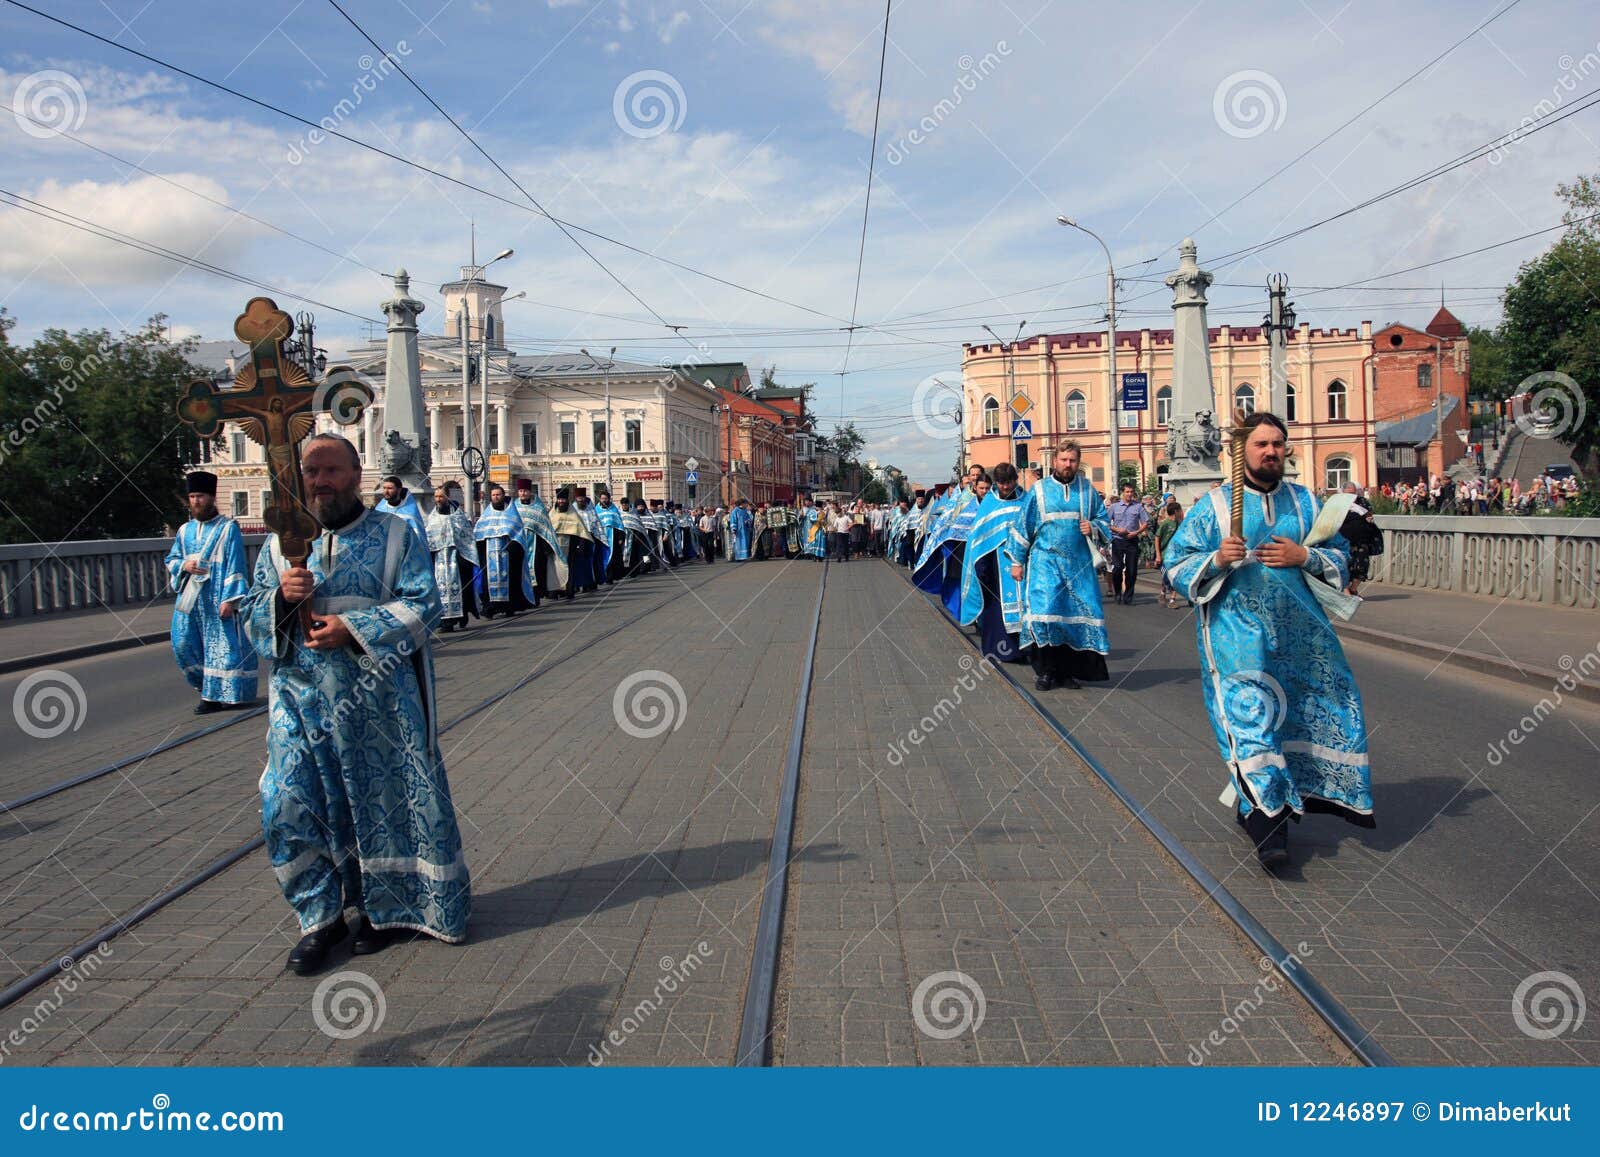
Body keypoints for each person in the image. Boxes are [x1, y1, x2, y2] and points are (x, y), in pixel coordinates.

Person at [240, 433, 469, 973]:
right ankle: (318, 920)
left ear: (357, 472)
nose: (320, 481)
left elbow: (425, 605)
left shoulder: (394, 535)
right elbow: (252, 615)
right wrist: (279, 599)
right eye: (311, 471)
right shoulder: (278, 545)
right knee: (287, 803)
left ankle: (383, 910)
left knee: (380, 805)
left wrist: (353, 627)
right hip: (299, 704)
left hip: (379, 705)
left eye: (332, 470)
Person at [1162, 411, 1373, 871]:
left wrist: (1306, 555)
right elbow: (1175, 565)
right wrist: (1217, 558)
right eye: (1261, 444)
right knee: (1251, 724)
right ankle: (1269, 825)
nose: (1272, 451)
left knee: (1303, 719)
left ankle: (1256, 803)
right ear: (1243, 451)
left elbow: (1340, 555)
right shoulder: (1215, 507)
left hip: (1301, 637)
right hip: (1236, 638)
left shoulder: (1305, 503)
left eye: (1278, 443)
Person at [1004, 442, 1111, 691]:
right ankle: (1046, 672)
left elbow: (1103, 520)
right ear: (1055, 461)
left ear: (1077, 461)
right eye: (1063, 460)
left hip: (1078, 568)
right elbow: (1023, 527)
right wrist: (1017, 562)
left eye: (1072, 460)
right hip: (1045, 565)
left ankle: (1067, 673)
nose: (1067, 464)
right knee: (1046, 616)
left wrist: (1093, 527)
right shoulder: (1039, 491)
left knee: (1073, 618)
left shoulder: (1087, 490)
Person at [165, 470, 258, 713]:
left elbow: (236, 563)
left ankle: (212, 698)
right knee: (183, 642)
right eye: (193, 496)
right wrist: (184, 565)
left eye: (201, 496)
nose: (196, 501)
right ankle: (204, 688)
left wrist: (230, 599)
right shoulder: (184, 531)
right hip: (190, 599)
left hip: (217, 597)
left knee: (221, 648)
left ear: (212, 498)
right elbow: (172, 558)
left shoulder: (228, 529)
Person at [958, 462, 1027, 663]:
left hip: (1023, 562)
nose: (1005, 487)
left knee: (1025, 605)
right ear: (996, 483)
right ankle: (1000, 649)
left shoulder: (1027, 499)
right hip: (995, 562)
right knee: (996, 607)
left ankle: (1026, 649)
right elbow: (978, 538)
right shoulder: (989, 502)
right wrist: (981, 567)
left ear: (1015, 480)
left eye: (1009, 482)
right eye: (1002, 483)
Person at [473, 484, 537, 617]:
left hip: (508, 555)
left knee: (510, 580)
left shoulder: (511, 514)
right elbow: (478, 534)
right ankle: (490, 607)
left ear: (503, 496)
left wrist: (513, 545)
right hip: (489, 557)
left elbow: (519, 535)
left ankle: (509, 606)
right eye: (493, 495)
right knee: (488, 582)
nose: (496, 497)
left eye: (498, 494)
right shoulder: (486, 515)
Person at [424, 486, 481, 631]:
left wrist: (463, 555)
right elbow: (429, 537)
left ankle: (461, 616)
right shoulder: (432, 518)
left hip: (457, 558)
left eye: (441, 497)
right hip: (439, 561)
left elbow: (467, 536)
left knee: (461, 588)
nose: (438, 499)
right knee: (441, 590)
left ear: (447, 497)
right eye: (436, 497)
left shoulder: (458, 516)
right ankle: (445, 621)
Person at [516, 482, 569, 597]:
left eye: (525, 491)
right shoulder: (514, 507)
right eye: (520, 491)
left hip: (536, 543)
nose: (523, 493)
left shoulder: (538, 507)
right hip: (519, 543)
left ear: (530, 492)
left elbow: (546, 527)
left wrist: (546, 546)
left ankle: (536, 595)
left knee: (538, 569)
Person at [1338, 484, 1383, 597]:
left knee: (1362, 565)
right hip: (1343, 541)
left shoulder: (1362, 501)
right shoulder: (1338, 503)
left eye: (1353, 493)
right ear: (1343, 493)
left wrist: (1369, 518)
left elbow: (1369, 514)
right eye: (1348, 493)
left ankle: (1353, 589)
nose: (1351, 495)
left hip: (1362, 540)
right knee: (1346, 565)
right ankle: (1345, 590)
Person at [548, 490, 593, 600]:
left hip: (570, 546)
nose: (561, 501)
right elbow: (547, 530)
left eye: (563, 499)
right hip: (555, 545)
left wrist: (580, 545)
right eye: (559, 499)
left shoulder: (573, 513)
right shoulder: (552, 513)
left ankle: (569, 590)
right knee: (555, 568)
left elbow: (580, 530)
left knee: (569, 568)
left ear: (567, 500)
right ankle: (555, 591)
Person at [375, 474, 427, 549]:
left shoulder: (410, 512)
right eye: (384, 488)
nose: (386, 491)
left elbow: (417, 537)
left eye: (390, 488)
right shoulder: (379, 509)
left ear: (399, 490)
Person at [1152, 501, 1185, 610]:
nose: (1182, 512)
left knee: (1174, 576)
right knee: (1166, 576)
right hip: (1165, 554)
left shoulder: (1181, 523)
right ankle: (1163, 592)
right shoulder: (1166, 523)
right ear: (1176, 511)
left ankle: (1172, 600)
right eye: (1180, 510)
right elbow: (1157, 537)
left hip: (1177, 555)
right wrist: (1158, 555)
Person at [594, 491, 628, 583]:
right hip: (601, 536)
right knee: (602, 556)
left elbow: (619, 524)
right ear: (600, 499)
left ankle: (610, 577)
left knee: (613, 556)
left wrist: (621, 537)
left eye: (605, 498)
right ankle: (601, 577)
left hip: (613, 536)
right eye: (602, 498)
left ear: (609, 499)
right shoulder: (596, 509)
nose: (604, 500)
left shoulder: (614, 509)